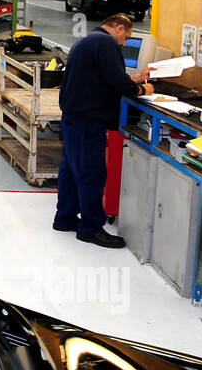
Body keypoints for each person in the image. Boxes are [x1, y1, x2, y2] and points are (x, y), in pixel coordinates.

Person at [54, 13, 153, 249]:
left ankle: (65, 218)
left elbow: (102, 77)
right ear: (119, 28)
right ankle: (90, 228)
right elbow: (116, 82)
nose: (124, 43)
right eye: (126, 38)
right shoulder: (106, 43)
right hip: (88, 121)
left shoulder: (90, 40)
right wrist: (142, 89)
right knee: (92, 173)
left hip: (73, 117)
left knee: (70, 168)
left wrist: (133, 78)